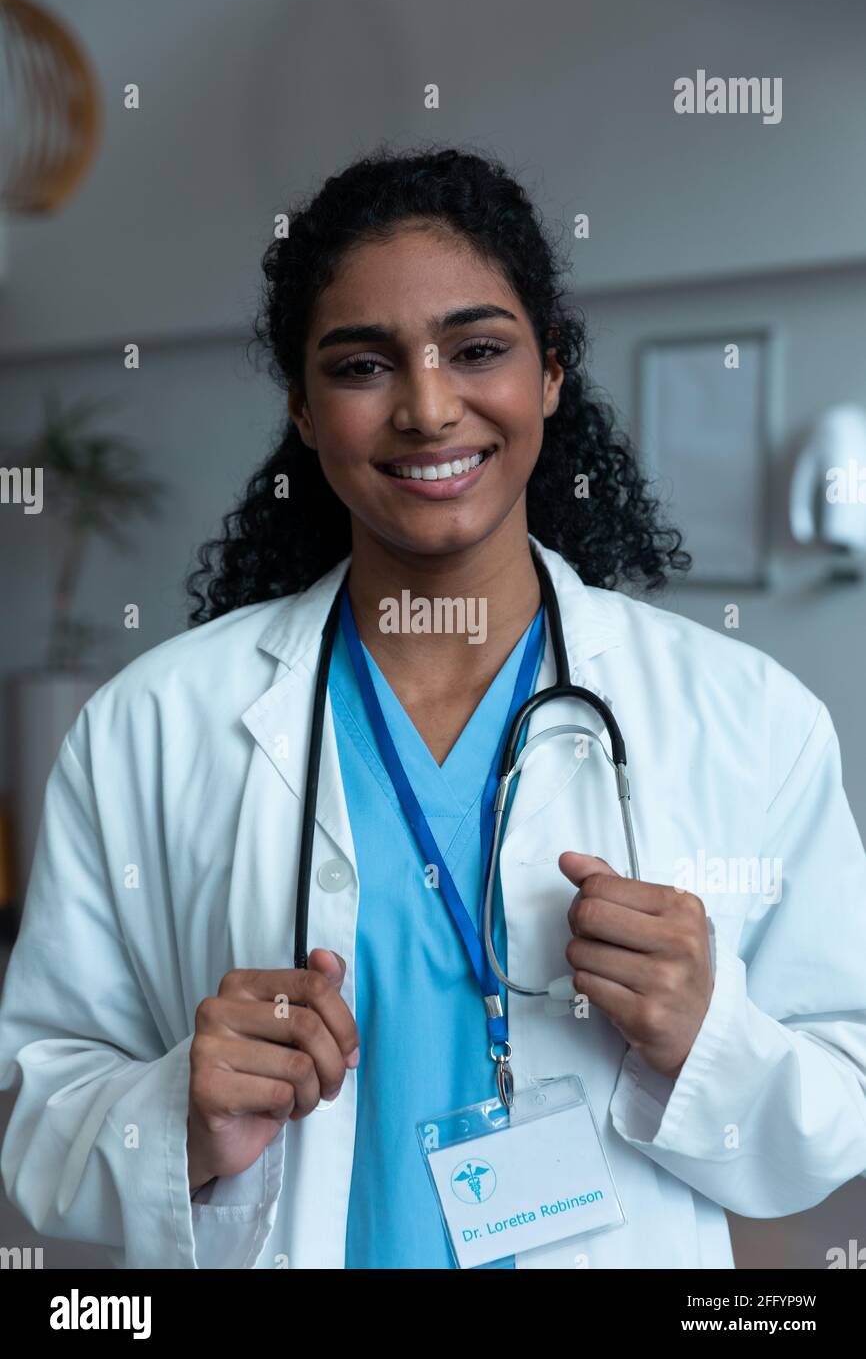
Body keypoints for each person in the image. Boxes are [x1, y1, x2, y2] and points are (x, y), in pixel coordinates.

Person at [1, 144, 865, 1271]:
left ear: (550, 372)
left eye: (476, 349)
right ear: (305, 413)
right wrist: (178, 1111)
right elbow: (34, 1097)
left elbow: (838, 1106)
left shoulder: (748, 718)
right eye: (360, 366)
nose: (425, 405)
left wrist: (708, 1037)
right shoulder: (147, 729)